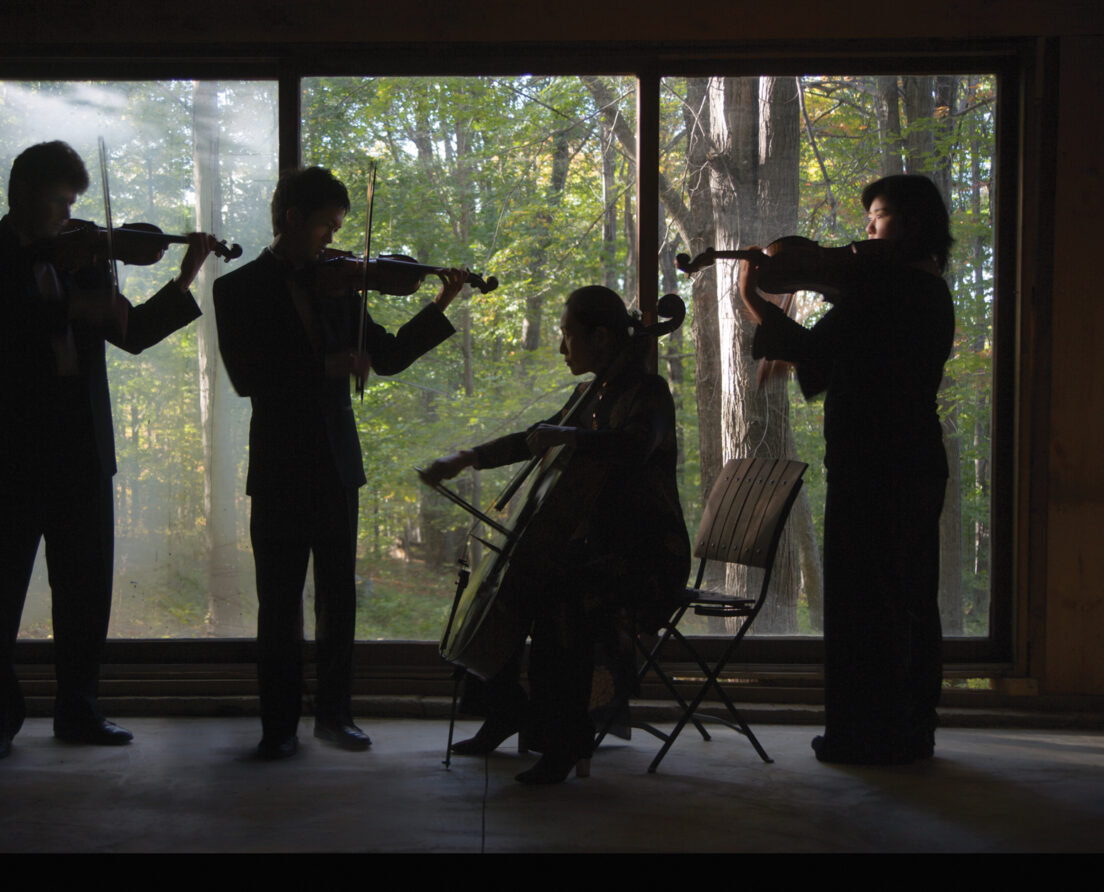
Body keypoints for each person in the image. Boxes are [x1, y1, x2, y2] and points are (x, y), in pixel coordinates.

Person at [0, 140, 218, 760]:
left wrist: (184, 276)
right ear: (24, 193)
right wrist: (76, 302)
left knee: (85, 590)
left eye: (75, 203)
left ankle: (79, 710)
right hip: (6, 453)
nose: (71, 216)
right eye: (60, 201)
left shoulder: (84, 258)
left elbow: (133, 334)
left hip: (82, 448)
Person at [213, 166, 467, 759]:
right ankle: (278, 728)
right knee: (279, 603)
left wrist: (441, 302)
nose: (333, 237)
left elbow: (390, 357)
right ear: (293, 218)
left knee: (338, 599)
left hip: (336, 464)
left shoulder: (342, 288)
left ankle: (335, 717)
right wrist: (324, 367)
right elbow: (247, 377)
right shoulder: (238, 289)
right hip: (279, 465)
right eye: (327, 225)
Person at [422, 286, 691, 784]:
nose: (561, 346)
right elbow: (536, 436)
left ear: (601, 337)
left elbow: (633, 446)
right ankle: (504, 709)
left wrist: (567, 437)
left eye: (567, 334)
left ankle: (565, 741)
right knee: (509, 581)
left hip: (645, 555)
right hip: (593, 548)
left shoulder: (648, 392)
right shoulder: (589, 395)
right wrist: (466, 458)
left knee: (557, 592)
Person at [737, 174, 955, 764]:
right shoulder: (926, 289)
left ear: (909, 222)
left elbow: (816, 352)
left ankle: (865, 736)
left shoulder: (890, 289)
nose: (866, 229)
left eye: (877, 215)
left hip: (874, 465)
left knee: (864, 600)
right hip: (912, 459)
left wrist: (753, 296)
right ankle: (910, 730)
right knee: (909, 596)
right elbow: (842, 357)